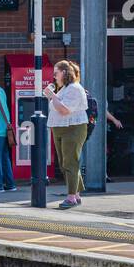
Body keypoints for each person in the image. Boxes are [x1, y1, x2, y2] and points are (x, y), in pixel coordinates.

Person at [44, 59, 89, 209]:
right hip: (61, 127)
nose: (54, 76)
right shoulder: (65, 88)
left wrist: (51, 95)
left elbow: (64, 109)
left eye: (56, 73)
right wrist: (53, 95)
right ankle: (76, 194)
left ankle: (71, 197)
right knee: (65, 163)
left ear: (64, 72)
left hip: (73, 128)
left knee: (70, 162)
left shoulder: (74, 88)